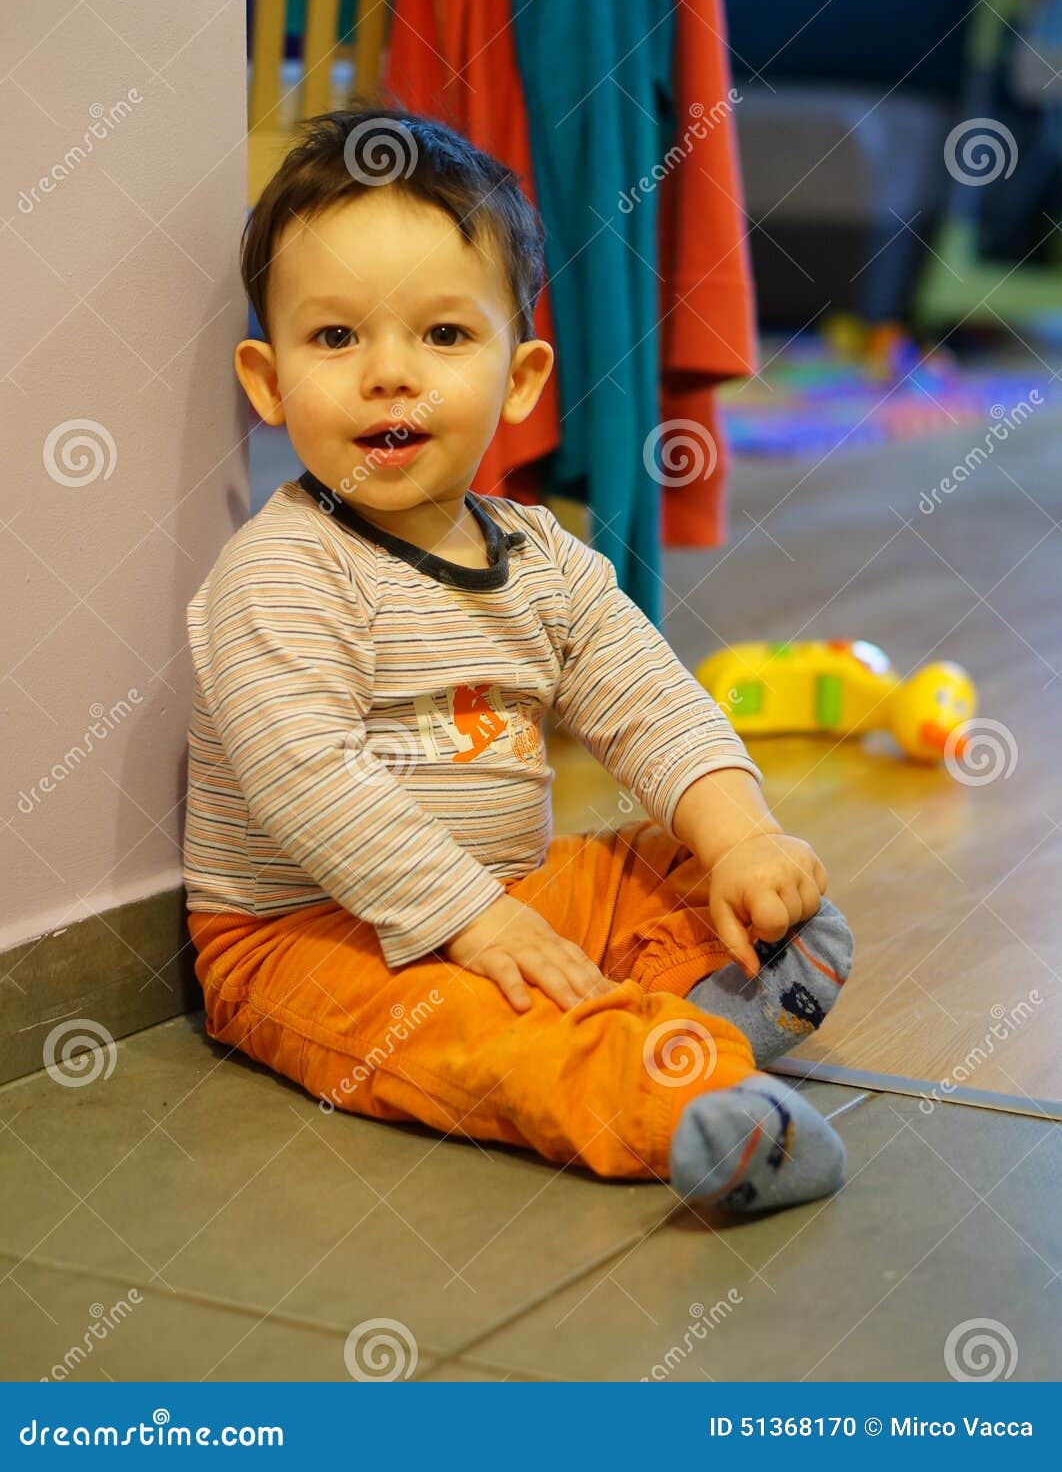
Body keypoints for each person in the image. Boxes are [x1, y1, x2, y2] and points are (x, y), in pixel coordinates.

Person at [183, 104, 854, 1216]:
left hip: (511, 889)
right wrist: (474, 924)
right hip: (304, 937)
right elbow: (309, 779)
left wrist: (741, 834)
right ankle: (661, 1090)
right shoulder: (281, 571)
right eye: (336, 338)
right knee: (466, 1036)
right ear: (266, 378)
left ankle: (705, 986)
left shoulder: (542, 556)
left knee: (675, 863)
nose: (390, 375)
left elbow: (650, 697)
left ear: (524, 376)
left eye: (444, 337)